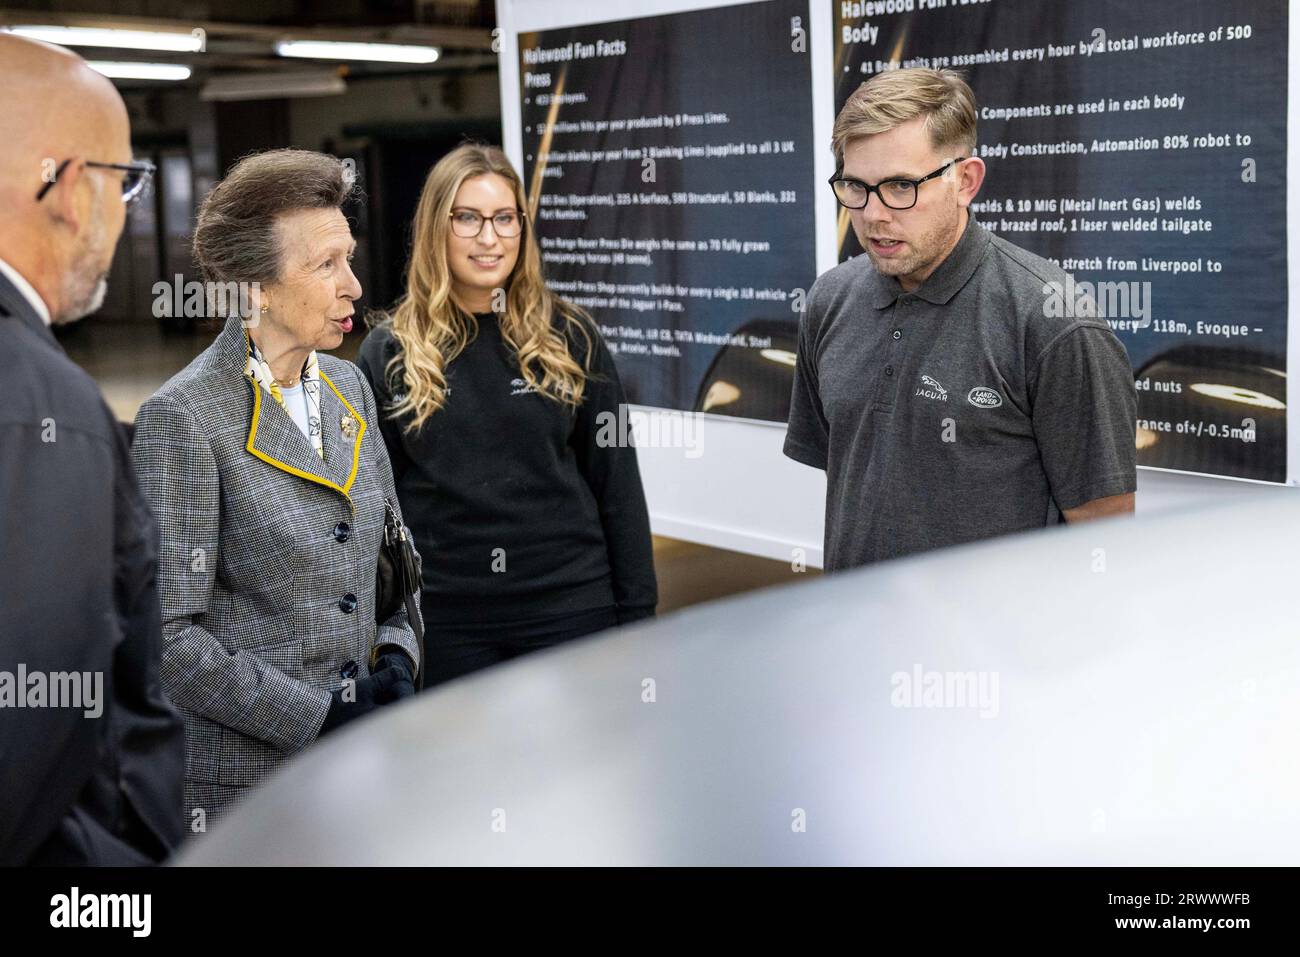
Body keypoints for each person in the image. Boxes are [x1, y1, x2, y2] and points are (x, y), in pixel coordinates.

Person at [131, 149, 420, 827]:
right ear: (252, 288)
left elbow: (391, 562)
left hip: (365, 764)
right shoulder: (185, 418)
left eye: (348, 257)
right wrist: (321, 714)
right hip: (251, 788)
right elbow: (168, 640)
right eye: (326, 265)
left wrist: (400, 656)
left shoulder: (351, 387)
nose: (353, 285)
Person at [785, 68, 1137, 571]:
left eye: (901, 186)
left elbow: (1105, 530)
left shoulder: (1052, 319)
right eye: (854, 187)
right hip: (858, 632)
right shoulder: (828, 300)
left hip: (995, 643)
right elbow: (849, 472)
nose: (873, 215)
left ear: (965, 181)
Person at [357, 144, 657, 688]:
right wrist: (383, 631)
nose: (489, 238)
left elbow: (619, 492)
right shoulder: (389, 353)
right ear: (435, 228)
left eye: (504, 218)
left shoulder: (571, 339)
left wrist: (638, 618)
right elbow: (379, 513)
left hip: (571, 608)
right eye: (467, 218)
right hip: (448, 621)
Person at [0, 35, 185, 865]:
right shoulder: (43, 405)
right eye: (125, 182)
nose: (126, 211)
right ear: (74, 190)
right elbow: (39, 742)